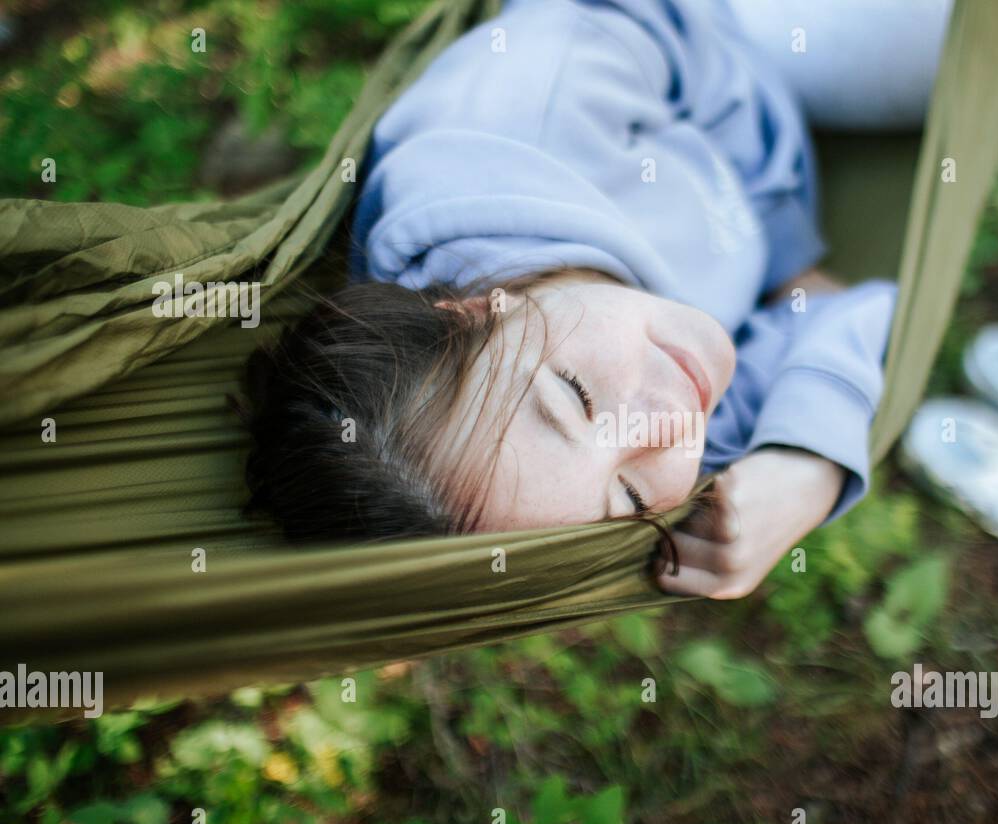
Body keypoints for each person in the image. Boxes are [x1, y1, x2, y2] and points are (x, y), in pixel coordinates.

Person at [241, 0, 950, 599]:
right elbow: (864, 312)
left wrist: (786, 244)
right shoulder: (657, 451)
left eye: (574, 395)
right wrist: (805, 465)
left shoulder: (525, 108)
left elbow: (657, 19)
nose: (664, 431)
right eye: (632, 501)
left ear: (476, 309)